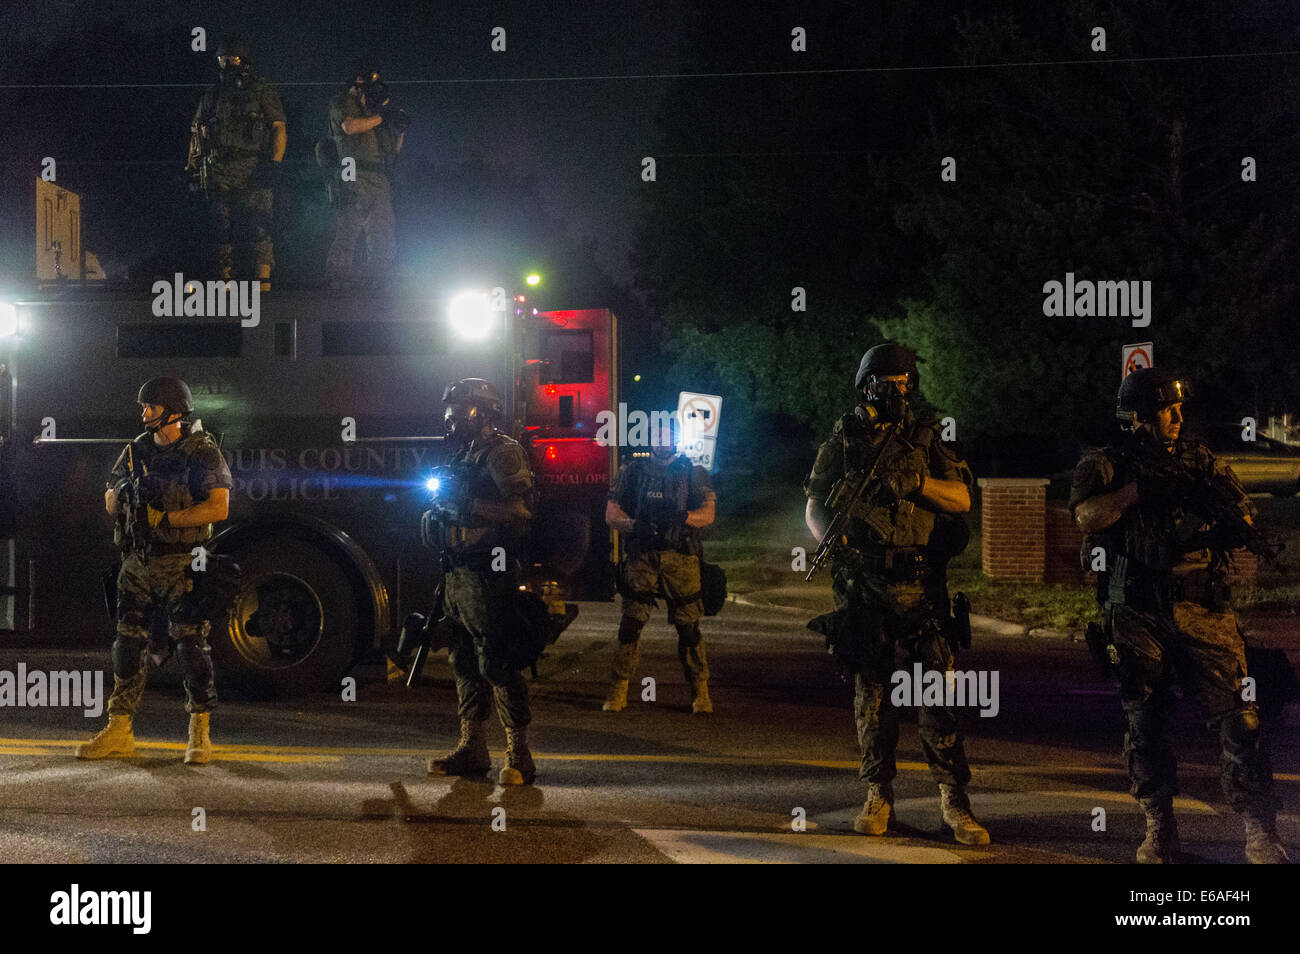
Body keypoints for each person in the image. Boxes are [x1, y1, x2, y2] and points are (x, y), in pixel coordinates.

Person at [1070, 367, 1287, 863]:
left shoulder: (1201, 463)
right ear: (1141, 416)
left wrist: (1227, 522)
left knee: (1241, 720)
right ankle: (1158, 827)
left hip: (1200, 608)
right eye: (1168, 409)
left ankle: (1258, 829)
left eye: (1179, 408)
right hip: (1136, 610)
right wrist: (1136, 493)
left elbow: (1244, 512)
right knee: (1145, 722)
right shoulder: (1107, 465)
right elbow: (1087, 516)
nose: (1178, 417)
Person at [803, 342, 988, 845]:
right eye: (889, 383)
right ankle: (878, 792)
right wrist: (832, 543)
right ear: (867, 386)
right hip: (864, 583)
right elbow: (816, 507)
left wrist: (920, 482)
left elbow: (962, 498)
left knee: (941, 695)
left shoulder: (928, 442)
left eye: (906, 383)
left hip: (924, 583)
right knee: (873, 696)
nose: (899, 392)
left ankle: (954, 799)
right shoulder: (841, 445)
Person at [78, 377, 233, 765]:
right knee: (127, 647)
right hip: (137, 562)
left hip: (183, 562)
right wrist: (120, 497)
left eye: (151, 406)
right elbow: (110, 500)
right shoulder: (136, 450)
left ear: (173, 411)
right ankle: (119, 729)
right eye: (144, 407)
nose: (144, 412)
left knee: (192, 647)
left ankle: (200, 732)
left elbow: (218, 508)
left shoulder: (202, 452)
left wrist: (167, 517)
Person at [424, 379, 538, 784]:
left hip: (490, 571)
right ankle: (473, 748)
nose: (451, 420)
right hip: (458, 571)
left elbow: (521, 511)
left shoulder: (503, 452)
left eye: (458, 412)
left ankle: (518, 754)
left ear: (482, 412)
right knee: (462, 658)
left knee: (497, 660)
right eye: (449, 413)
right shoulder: (464, 455)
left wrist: (469, 506)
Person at [603, 415, 716, 713]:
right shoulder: (633, 472)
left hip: (681, 558)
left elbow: (708, 513)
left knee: (689, 628)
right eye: (658, 435)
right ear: (650, 439)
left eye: (668, 436)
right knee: (631, 626)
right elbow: (611, 514)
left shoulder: (693, 473)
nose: (662, 441)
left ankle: (700, 692)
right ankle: (619, 690)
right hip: (643, 557)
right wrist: (634, 525)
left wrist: (682, 519)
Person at [189, 33, 286, 291]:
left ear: (244, 61)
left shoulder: (261, 90)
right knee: (221, 232)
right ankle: (225, 288)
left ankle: (263, 289)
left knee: (260, 229)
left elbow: (279, 128)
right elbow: (197, 132)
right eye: (223, 59)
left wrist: (274, 164)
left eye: (232, 59)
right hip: (219, 169)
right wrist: (194, 169)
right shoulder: (212, 95)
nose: (227, 64)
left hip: (254, 168)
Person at [325, 62, 405, 287]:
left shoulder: (374, 111)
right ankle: (337, 282)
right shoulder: (343, 102)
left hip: (379, 176)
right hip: (353, 170)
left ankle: (380, 283)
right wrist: (382, 118)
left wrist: (398, 130)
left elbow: (392, 151)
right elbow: (349, 127)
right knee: (348, 227)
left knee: (384, 233)